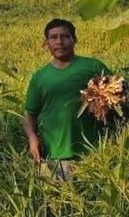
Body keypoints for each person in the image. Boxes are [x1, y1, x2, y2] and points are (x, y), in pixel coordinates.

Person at [22, 18, 109, 180]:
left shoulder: (93, 66)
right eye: (53, 38)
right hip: (51, 157)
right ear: (46, 43)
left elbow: (117, 95)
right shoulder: (40, 77)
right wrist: (32, 137)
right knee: (54, 203)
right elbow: (30, 115)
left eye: (65, 36)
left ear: (74, 40)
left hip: (92, 153)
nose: (59, 42)